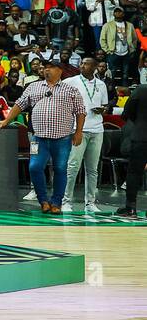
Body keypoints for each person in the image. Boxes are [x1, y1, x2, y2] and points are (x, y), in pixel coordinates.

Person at [0, 58, 86, 214]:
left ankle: (56, 202)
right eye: (45, 67)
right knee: (35, 167)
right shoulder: (34, 87)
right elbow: (19, 104)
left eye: (51, 67)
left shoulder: (70, 90)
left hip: (63, 138)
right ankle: (43, 200)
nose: (46, 70)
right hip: (39, 138)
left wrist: (78, 132)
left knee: (60, 169)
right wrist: (7, 120)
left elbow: (80, 112)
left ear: (60, 71)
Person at [62, 57, 109, 212]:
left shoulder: (101, 84)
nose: (82, 65)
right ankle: (66, 201)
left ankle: (90, 203)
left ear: (95, 67)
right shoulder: (71, 81)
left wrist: (102, 109)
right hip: (78, 129)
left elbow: (104, 105)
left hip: (97, 129)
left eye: (86, 63)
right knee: (73, 166)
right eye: (81, 63)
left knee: (92, 169)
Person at [118, 82, 147, 218]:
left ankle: (131, 208)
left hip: (141, 136)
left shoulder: (141, 89)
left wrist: (139, 122)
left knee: (134, 173)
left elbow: (126, 114)